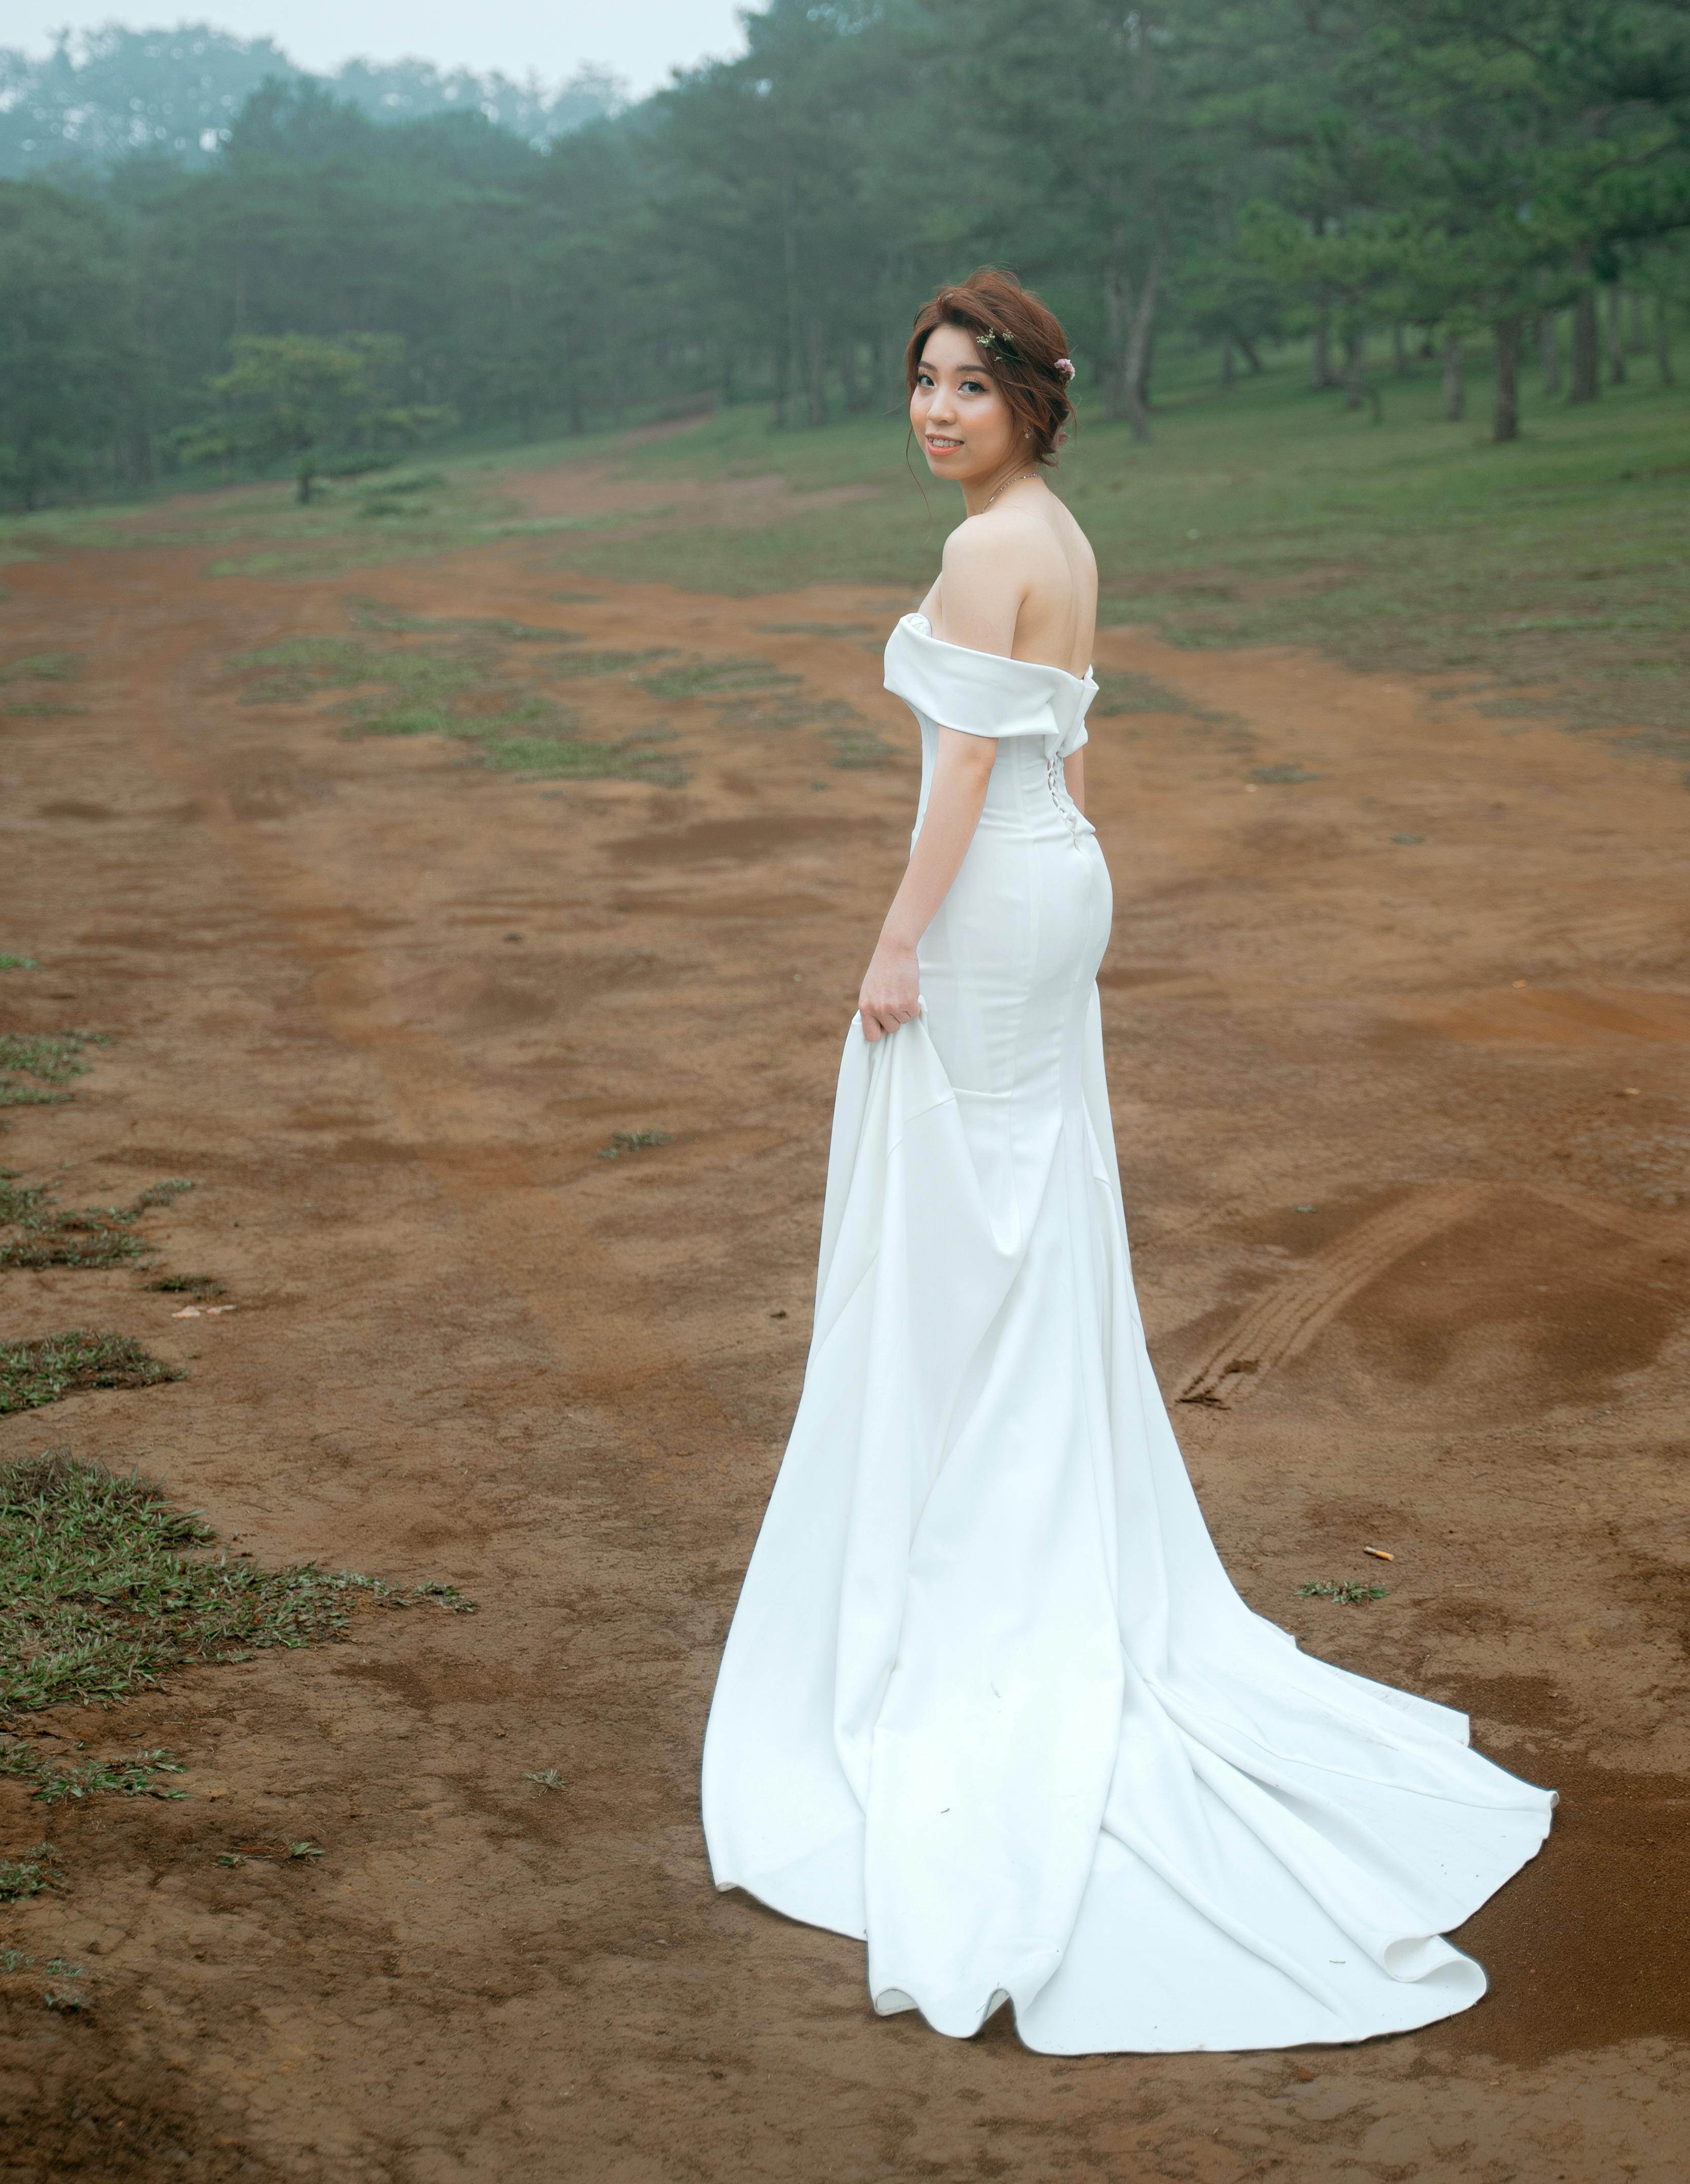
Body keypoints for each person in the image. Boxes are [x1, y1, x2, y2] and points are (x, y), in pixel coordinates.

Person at [701, 268, 1552, 2053]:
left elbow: (964, 770)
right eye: (922, 379)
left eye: (969, 383)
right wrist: (1041, 881)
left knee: (976, 1223)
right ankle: (1019, 1510)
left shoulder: (982, 550)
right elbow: (1061, 741)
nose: (936, 408)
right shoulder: (1059, 535)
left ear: (1031, 394)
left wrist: (895, 940)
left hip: (992, 897)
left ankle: (980, 1548)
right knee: (1021, 1218)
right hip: (1055, 881)